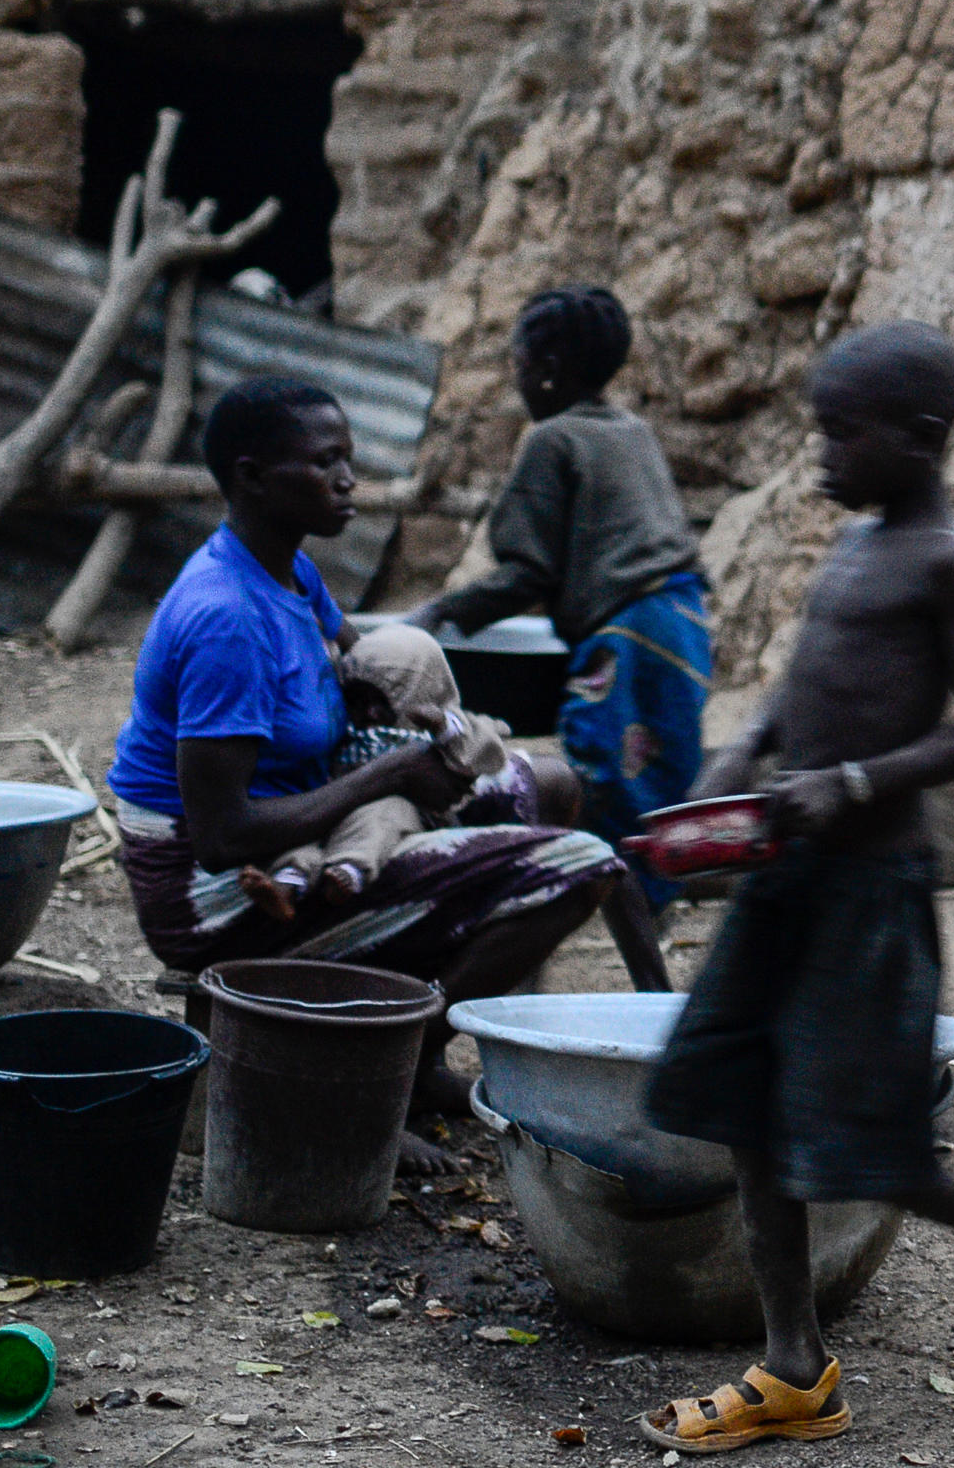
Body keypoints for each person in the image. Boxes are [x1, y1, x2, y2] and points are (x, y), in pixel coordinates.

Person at [632, 322, 954, 1450]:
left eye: (844, 431)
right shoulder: (851, 545)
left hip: (870, 889)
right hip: (786, 872)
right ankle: (793, 1366)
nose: (824, 452)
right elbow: (799, 692)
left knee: (857, 1140)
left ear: (925, 439)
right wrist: (737, 765)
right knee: (740, 1100)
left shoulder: (946, 558)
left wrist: (853, 781)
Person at [109, 376, 662, 1139]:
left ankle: (656, 1028)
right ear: (252, 476)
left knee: (555, 784)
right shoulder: (226, 619)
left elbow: (368, 666)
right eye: (325, 461)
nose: (348, 480)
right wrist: (396, 773)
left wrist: (437, 728)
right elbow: (220, 835)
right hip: (217, 890)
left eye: (349, 458)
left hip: (295, 814)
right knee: (577, 865)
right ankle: (395, 1071)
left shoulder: (288, 571)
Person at [409, 286, 711, 860]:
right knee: (657, 781)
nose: (516, 380)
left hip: (628, 634)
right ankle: (652, 907)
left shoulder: (552, 439)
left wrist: (440, 613)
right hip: (686, 619)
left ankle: (595, 891)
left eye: (518, 366)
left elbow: (529, 574)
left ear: (546, 371)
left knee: (596, 777)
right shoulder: (633, 430)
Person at [266, 621, 524, 898]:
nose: (370, 713)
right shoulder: (346, 728)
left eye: (382, 701)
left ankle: (349, 870)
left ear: (417, 691)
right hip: (337, 805)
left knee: (382, 816)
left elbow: (484, 749)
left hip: (405, 813)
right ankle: (290, 878)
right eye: (358, 701)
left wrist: (442, 726)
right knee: (296, 821)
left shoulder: (436, 728)